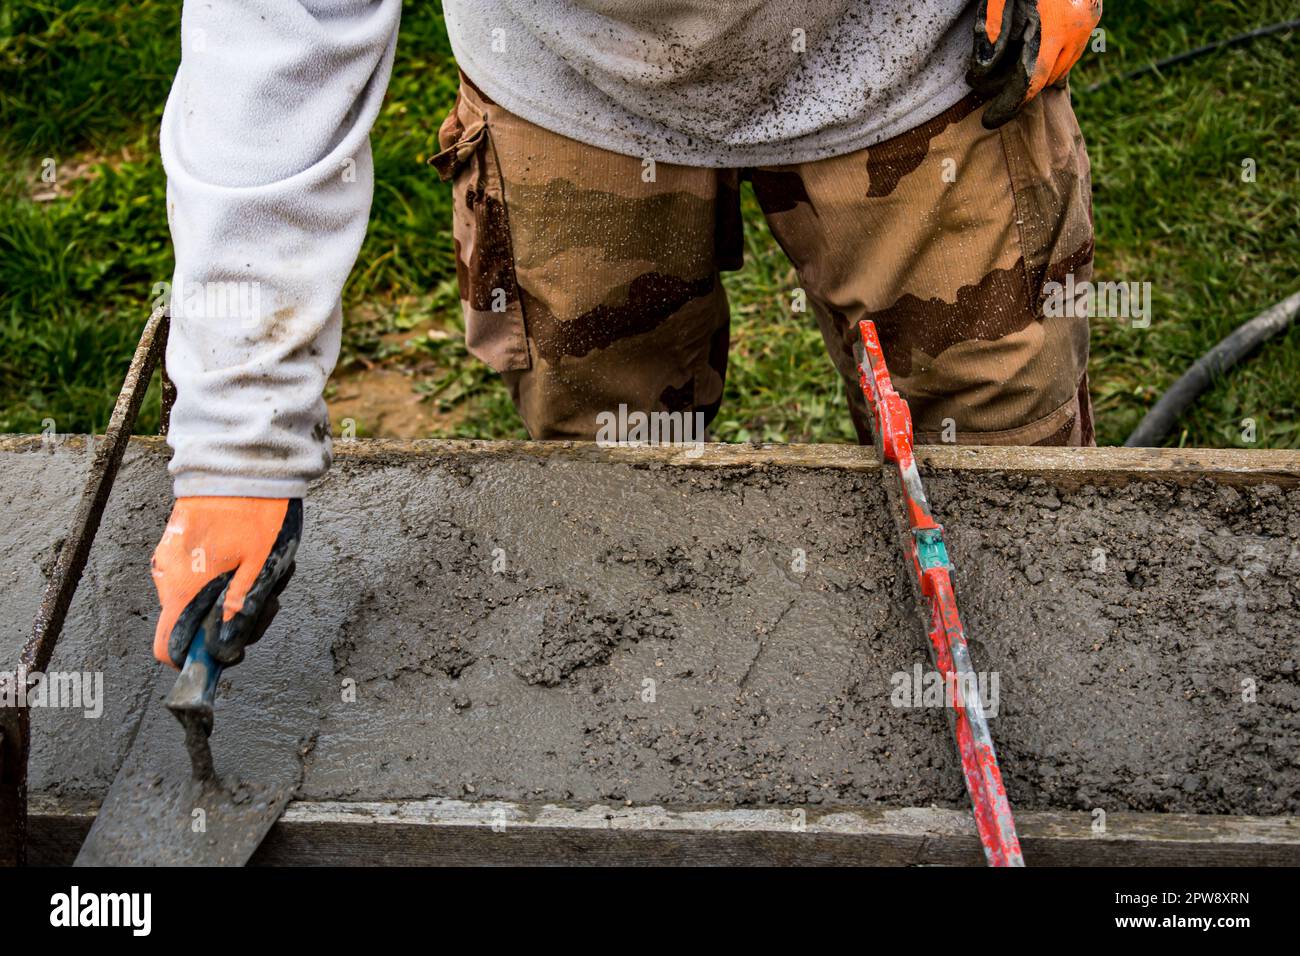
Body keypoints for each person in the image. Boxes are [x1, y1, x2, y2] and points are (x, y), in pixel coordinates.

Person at [150, 0, 1102, 669]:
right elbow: (277, 31)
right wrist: (241, 444)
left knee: (1008, 511)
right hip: (566, 81)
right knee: (613, 527)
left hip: (923, 63)